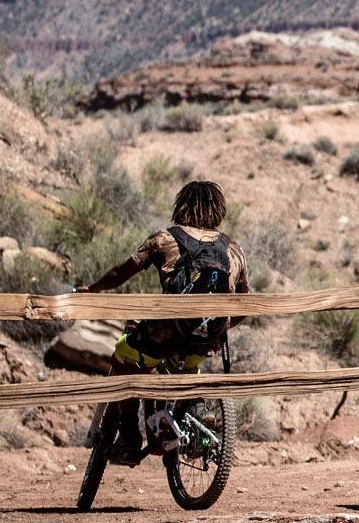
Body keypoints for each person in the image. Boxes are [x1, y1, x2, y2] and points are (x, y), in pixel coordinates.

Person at [81, 179, 250, 453]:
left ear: (181, 205)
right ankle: (190, 412)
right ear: (218, 210)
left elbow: (121, 273)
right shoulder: (233, 250)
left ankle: (129, 434)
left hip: (165, 336)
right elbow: (245, 302)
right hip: (205, 340)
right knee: (188, 362)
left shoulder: (165, 238)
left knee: (124, 357)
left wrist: (92, 289)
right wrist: (219, 330)